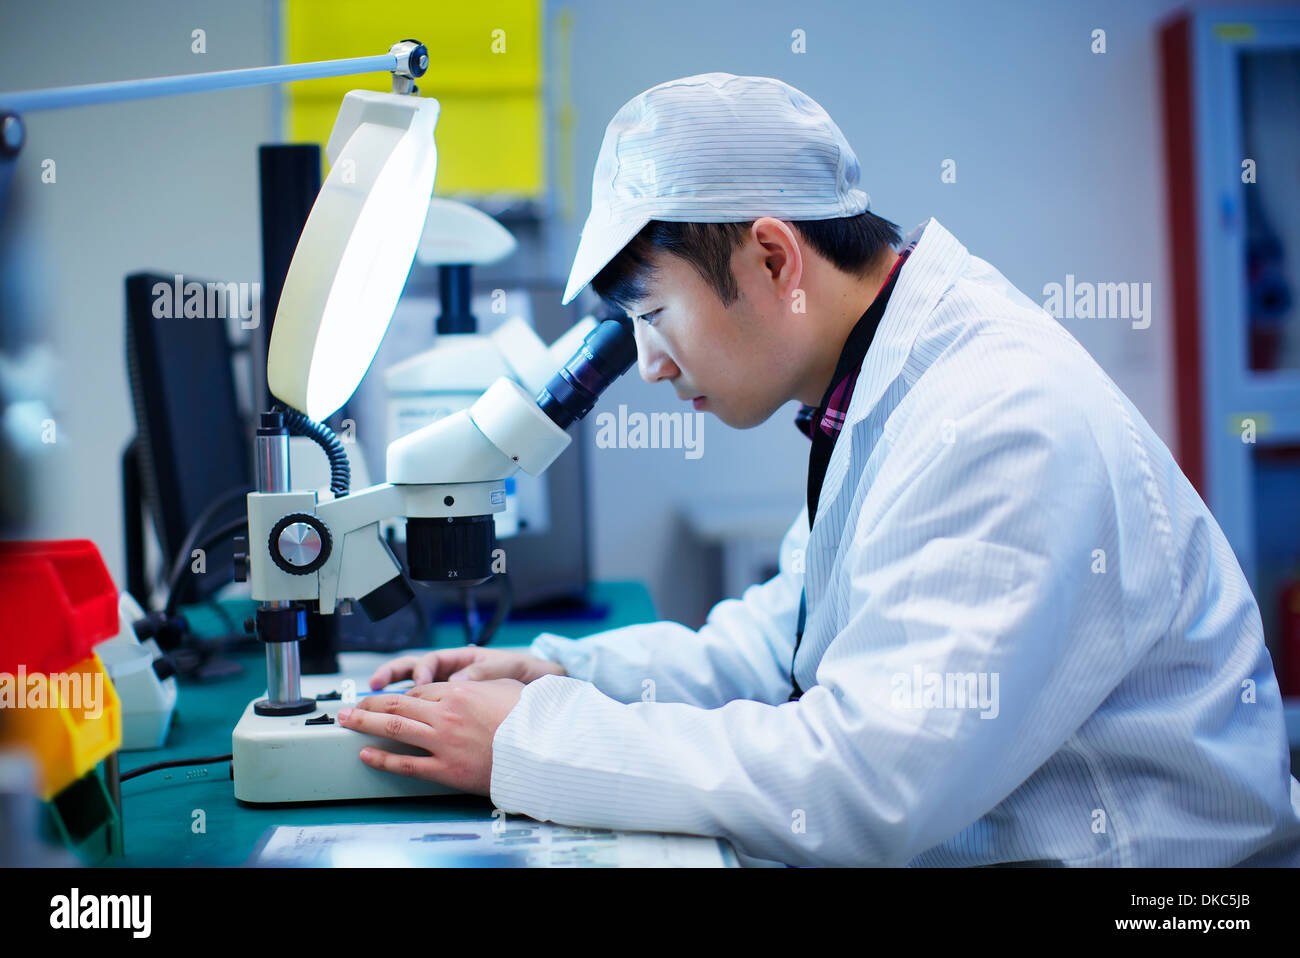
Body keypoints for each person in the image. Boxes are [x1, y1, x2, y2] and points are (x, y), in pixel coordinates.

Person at [337, 73, 1300, 867]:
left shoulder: (1000, 418)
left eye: (656, 314)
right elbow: (785, 646)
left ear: (772, 257)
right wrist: (561, 672)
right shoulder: (875, 384)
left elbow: (868, 785)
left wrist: (527, 743)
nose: (655, 363)